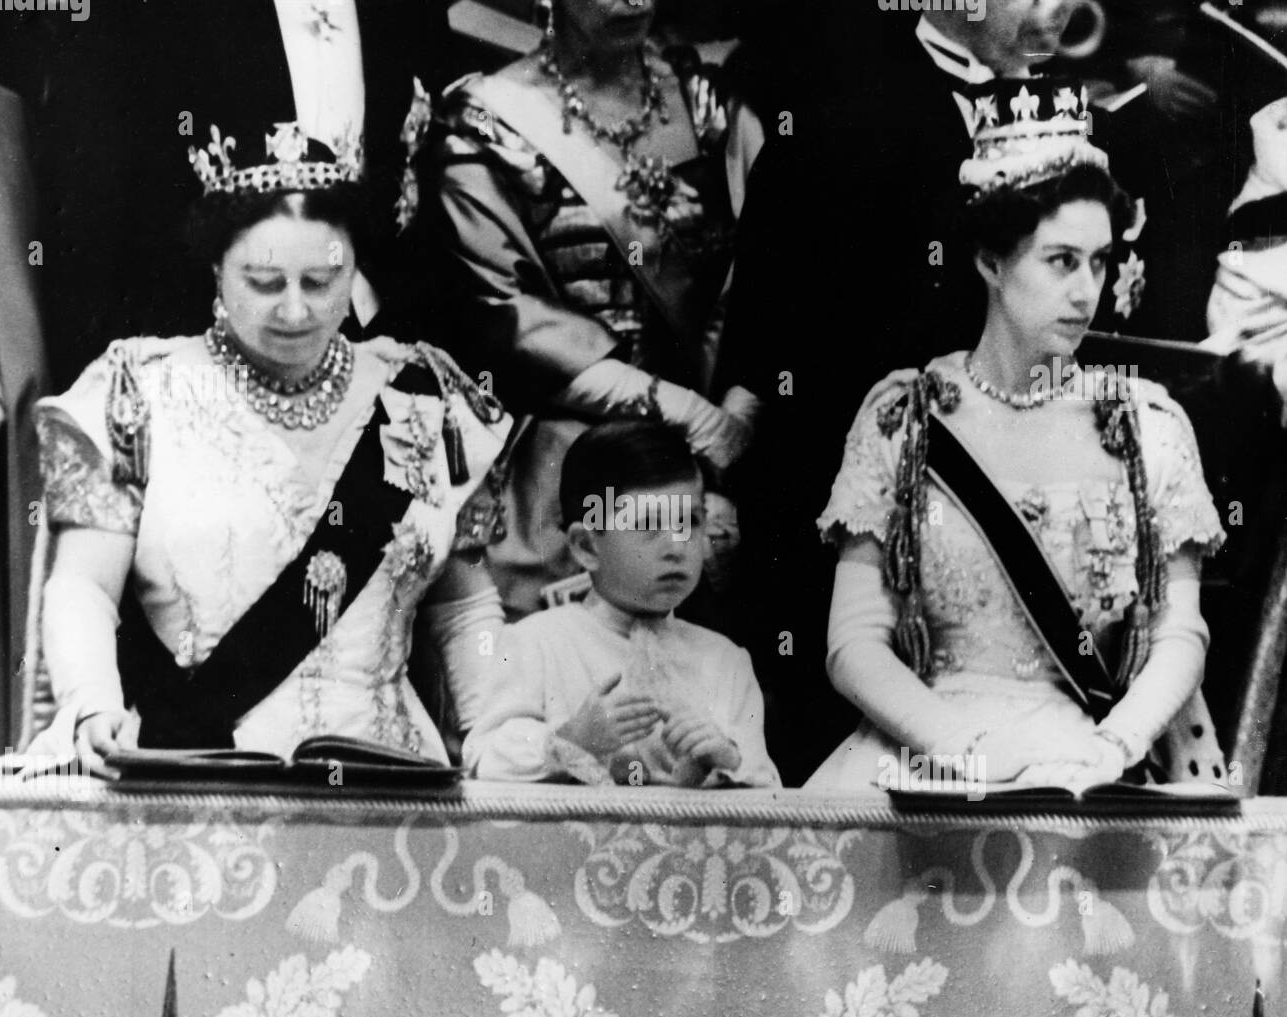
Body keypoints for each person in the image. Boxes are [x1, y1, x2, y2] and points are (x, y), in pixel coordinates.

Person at [29, 122, 511, 760]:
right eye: (263, 282)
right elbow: (83, 586)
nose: (294, 311)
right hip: (198, 769)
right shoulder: (139, 394)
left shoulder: (425, 398)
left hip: (392, 783)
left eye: (321, 282)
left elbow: (465, 610)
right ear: (216, 270)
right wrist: (91, 701)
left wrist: (500, 725)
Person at [805, 80, 1226, 793]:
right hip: (923, 758)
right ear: (991, 263)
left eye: (1100, 261)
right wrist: (965, 749)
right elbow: (853, 645)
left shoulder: (1145, 427)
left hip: (1087, 759)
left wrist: (1115, 744)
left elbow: (1178, 635)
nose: (1086, 291)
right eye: (1061, 260)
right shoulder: (904, 419)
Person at [720, 1, 1080, 784]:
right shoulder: (840, 108)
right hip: (863, 478)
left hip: (1031, 472)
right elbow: (767, 314)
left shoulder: (1074, 115)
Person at [434, 0, 762, 621]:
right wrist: (679, 411)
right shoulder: (486, 122)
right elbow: (503, 312)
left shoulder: (708, 101)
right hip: (574, 463)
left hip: (728, 454)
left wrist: (733, 423)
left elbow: (771, 271)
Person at [464, 421, 779, 788]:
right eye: (649, 525)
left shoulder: (725, 661)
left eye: (689, 522)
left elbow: (767, 786)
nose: (676, 547)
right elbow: (483, 758)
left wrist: (728, 759)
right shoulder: (537, 643)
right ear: (585, 546)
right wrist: (570, 739)